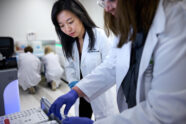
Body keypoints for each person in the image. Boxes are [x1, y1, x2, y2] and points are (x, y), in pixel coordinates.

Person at [49, 0, 186, 123]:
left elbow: (166, 112)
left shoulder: (176, 21)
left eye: (113, 0)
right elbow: (111, 66)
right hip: (129, 110)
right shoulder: (127, 28)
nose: (107, 8)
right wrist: (77, 91)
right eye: (103, 1)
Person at [50, 0, 119, 120]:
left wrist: (81, 88)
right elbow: (69, 66)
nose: (67, 29)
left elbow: (110, 67)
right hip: (80, 93)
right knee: (82, 117)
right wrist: (73, 83)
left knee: (103, 120)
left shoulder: (100, 36)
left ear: (80, 15)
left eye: (70, 22)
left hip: (101, 93)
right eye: (62, 26)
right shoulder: (69, 42)